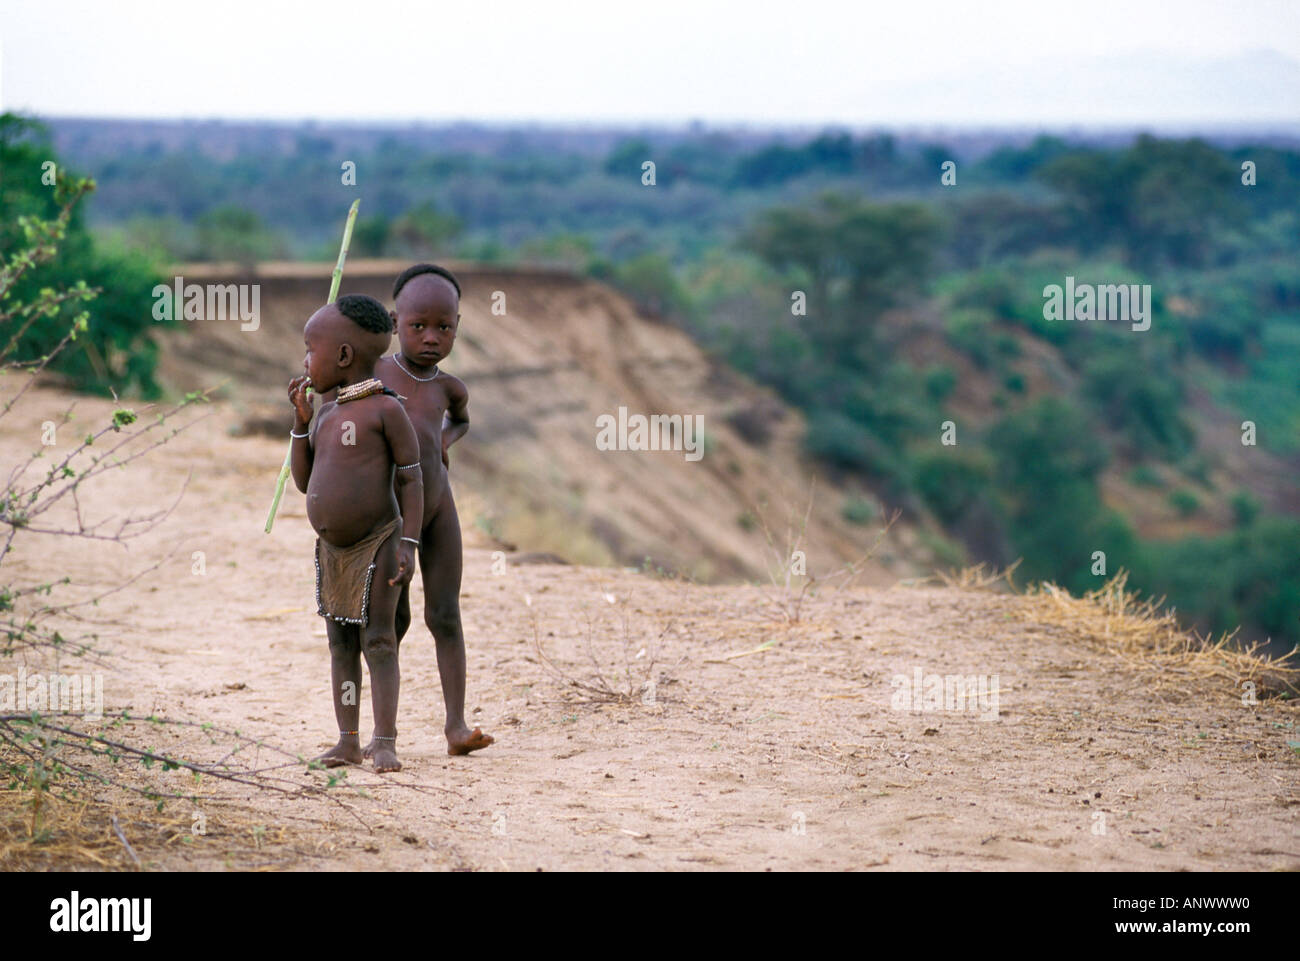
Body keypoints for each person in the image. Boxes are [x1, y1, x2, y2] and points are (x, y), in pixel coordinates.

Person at [287, 293, 423, 773]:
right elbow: (303, 481)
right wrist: (300, 426)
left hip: (379, 543)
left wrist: (408, 542)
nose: (305, 360)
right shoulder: (323, 415)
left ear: (343, 356)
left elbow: (411, 476)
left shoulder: (386, 411)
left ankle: (383, 741)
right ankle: (348, 740)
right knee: (340, 644)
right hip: (334, 550)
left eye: (310, 349)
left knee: (379, 642)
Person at [369, 264, 493, 757]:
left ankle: (457, 726)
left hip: (439, 508)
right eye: (418, 326)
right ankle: (383, 736)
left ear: (458, 325)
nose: (431, 338)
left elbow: (461, 423)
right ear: (395, 322)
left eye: (444, 327)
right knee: (389, 622)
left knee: (445, 614)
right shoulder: (375, 375)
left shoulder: (450, 388)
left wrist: (443, 440)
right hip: (391, 514)